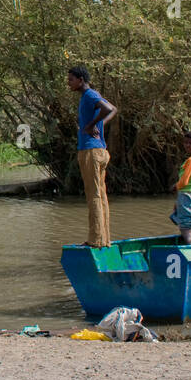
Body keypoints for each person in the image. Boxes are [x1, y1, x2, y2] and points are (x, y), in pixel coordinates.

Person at [67, 66, 118, 248]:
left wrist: (93, 125)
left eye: (71, 80)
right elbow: (113, 109)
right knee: (101, 196)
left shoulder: (89, 95)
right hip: (100, 151)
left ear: (81, 80)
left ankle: (96, 240)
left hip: (91, 151)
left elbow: (107, 108)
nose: (69, 83)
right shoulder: (89, 96)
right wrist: (100, 125)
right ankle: (104, 239)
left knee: (93, 196)